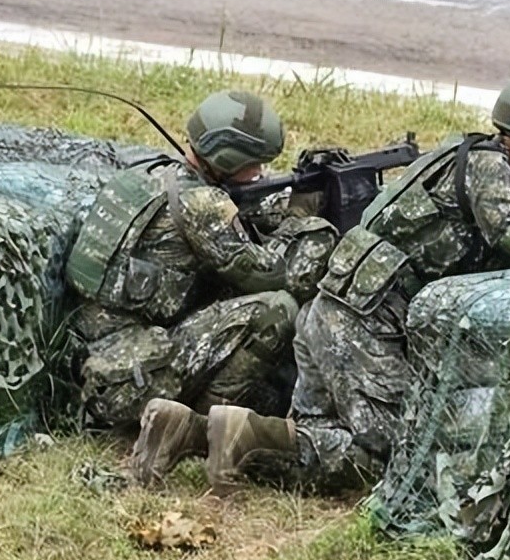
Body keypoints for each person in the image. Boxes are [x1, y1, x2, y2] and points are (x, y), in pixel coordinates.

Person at [128, 73, 510, 493]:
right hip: (359, 326)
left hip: (334, 310)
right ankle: (239, 439)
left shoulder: (469, 155)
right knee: (396, 455)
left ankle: (191, 432)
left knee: (321, 436)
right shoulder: (489, 169)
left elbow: (508, 219)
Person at [66, 90, 338, 436]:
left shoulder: (150, 174)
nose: (261, 172)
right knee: (276, 310)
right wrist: (306, 223)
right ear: (227, 157)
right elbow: (274, 276)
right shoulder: (201, 203)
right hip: (131, 380)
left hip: (90, 358)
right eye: (254, 163)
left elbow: (244, 213)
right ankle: (200, 427)